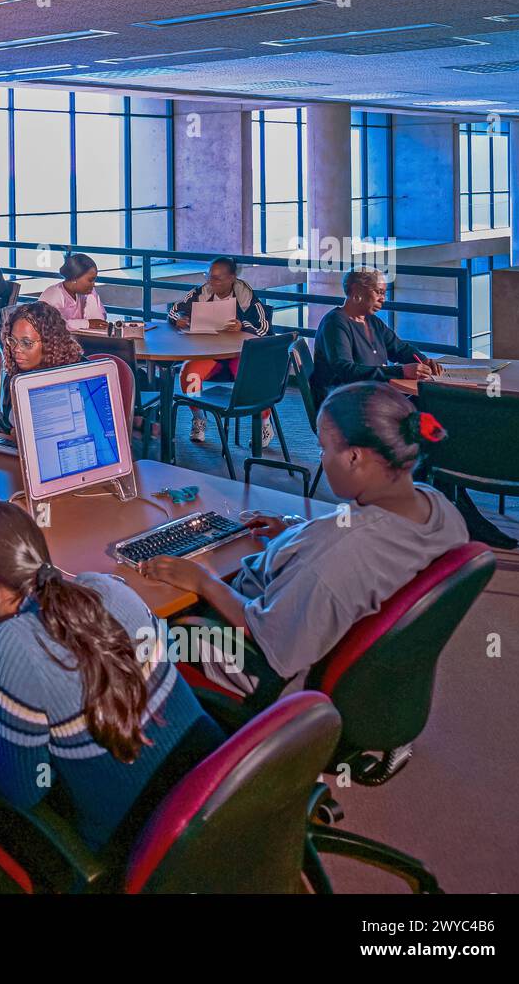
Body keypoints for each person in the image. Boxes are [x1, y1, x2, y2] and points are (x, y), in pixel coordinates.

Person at [141, 381, 468, 705]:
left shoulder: (337, 553)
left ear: (354, 457)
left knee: (137, 628)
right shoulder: (438, 507)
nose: (320, 459)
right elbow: (359, 544)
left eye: (324, 449)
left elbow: (267, 636)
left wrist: (203, 580)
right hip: (346, 661)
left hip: (261, 665)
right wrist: (295, 532)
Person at [0, 500, 223, 854]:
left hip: (142, 846)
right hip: (217, 797)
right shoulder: (105, 588)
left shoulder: (14, 645)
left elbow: (25, 791)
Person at [167, 256, 273, 447]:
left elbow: (264, 327)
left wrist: (243, 325)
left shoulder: (245, 296)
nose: (211, 282)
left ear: (232, 278)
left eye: (217, 278)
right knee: (189, 374)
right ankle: (198, 416)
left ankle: (264, 422)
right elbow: (174, 310)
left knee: (254, 377)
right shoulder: (202, 292)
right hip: (210, 356)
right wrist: (179, 320)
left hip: (238, 356)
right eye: (209, 276)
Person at [310, 268, 442, 406]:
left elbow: (400, 349)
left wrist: (424, 361)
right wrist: (401, 371)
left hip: (372, 395)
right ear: (357, 292)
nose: (383, 299)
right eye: (379, 292)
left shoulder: (372, 321)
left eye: (384, 293)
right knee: (427, 405)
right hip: (343, 403)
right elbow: (346, 371)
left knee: (431, 401)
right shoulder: (334, 324)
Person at [0, 301, 85, 435]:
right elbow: (9, 423)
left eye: (26, 343)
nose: (16, 349)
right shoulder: (16, 374)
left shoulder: (77, 378)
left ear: (49, 343)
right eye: (12, 341)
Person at [38, 253, 105, 331]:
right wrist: (87, 323)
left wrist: (91, 297)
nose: (94, 285)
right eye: (90, 280)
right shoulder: (53, 294)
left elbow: (99, 322)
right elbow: (50, 324)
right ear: (74, 279)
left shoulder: (86, 292)